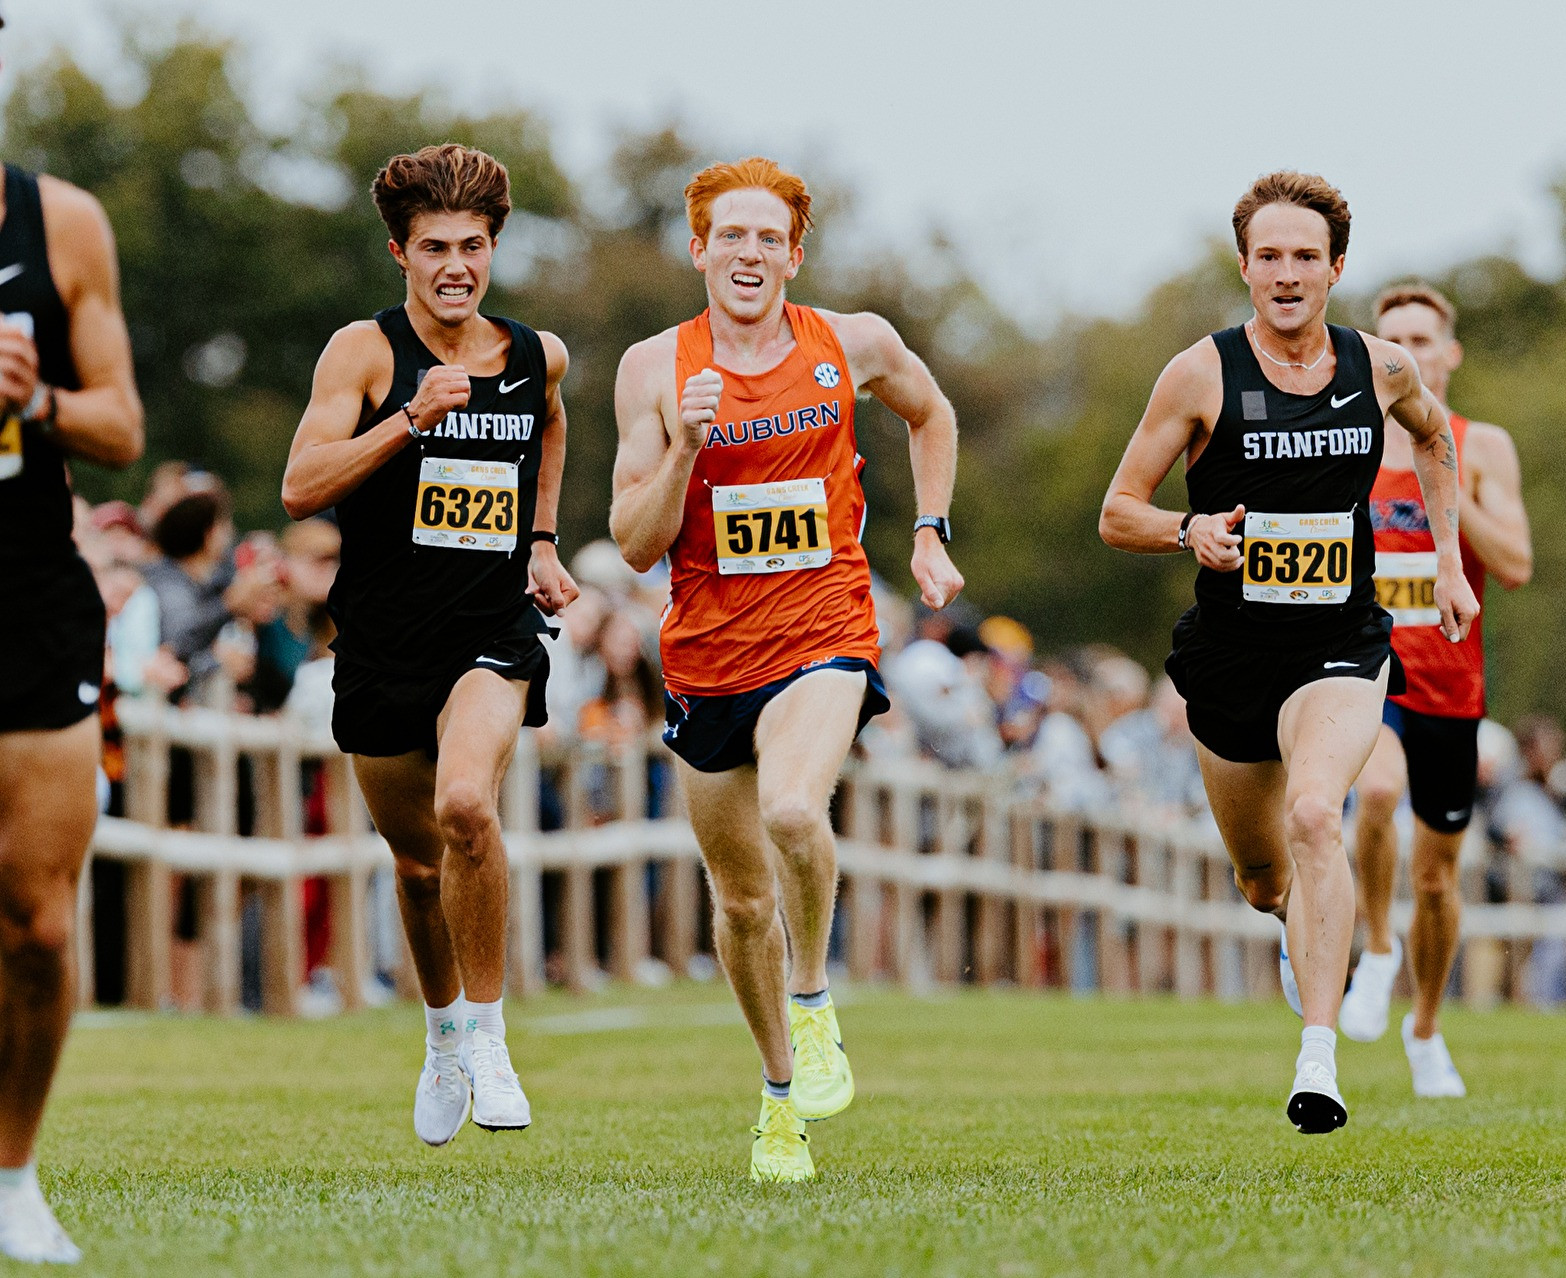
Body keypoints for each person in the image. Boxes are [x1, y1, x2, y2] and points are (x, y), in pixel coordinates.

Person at [1099, 171, 1478, 1134]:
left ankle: (1320, 1060)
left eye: (1305, 255)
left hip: (1340, 643)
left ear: (1336, 267)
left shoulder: (1382, 368)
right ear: (1244, 267)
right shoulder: (1199, 373)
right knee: (1266, 879)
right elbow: (1117, 512)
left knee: (1319, 814)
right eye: (1268, 255)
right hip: (1231, 660)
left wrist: (1445, 562)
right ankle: (1294, 930)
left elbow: (1436, 441)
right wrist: (1189, 532)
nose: (1286, 272)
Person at [610, 157, 964, 1181]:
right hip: (709, 655)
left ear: (794, 254)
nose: (750, 253)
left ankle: (814, 1000)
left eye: (770, 238)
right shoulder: (653, 369)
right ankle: (778, 1097)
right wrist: (684, 447)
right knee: (741, 901)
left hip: (825, 628)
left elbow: (930, 412)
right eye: (732, 236)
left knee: (797, 814)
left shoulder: (850, 343)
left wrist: (931, 530)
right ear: (699, 251)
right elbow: (633, 544)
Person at [281, 144, 578, 1146]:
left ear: (495, 249)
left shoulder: (536, 354)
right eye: (437, 247)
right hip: (378, 642)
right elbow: (300, 485)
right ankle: (444, 1032)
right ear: (402, 254)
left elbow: (553, 427)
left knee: (466, 806)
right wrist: (408, 420)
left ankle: (490, 1037)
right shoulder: (362, 354)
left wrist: (540, 541)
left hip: (491, 633)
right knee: (414, 868)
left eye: (475, 246)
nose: (458, 265)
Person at [0, 20, 145, 1256]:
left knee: (38, 921)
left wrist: (35, 396)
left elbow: (121, 426)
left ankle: (12, 1178)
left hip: (27, 593)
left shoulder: (59, 223)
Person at [1338, 284, 1532, 1093]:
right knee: (1376, 791)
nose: (1409, 352)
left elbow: (1516, 565)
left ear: (1449, 353)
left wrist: (1443, 493)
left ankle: (1426, 1029)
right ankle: (1377, 947)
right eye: (1393, 339)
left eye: (1423, 338)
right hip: (1370, 665)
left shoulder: (1481, 444)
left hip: (1452, 681)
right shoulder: (1346, 442)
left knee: (1438, 878)